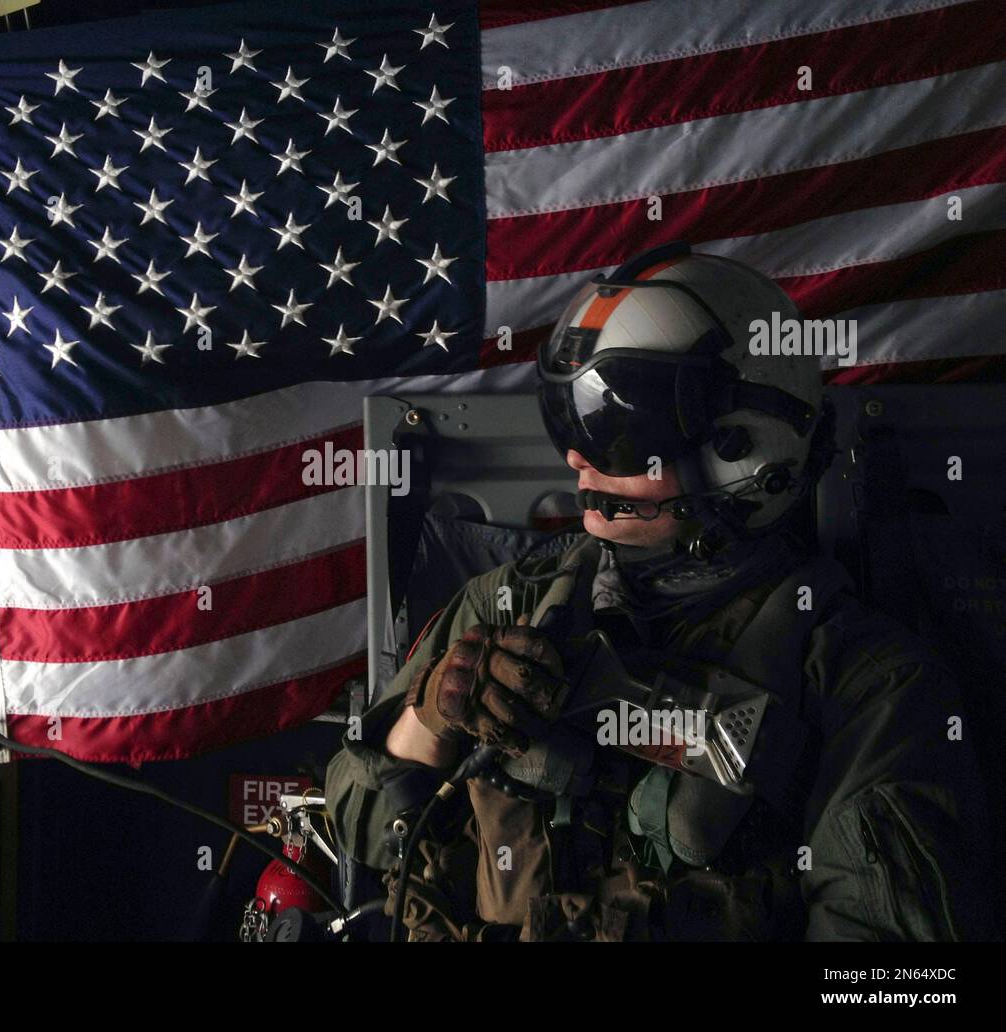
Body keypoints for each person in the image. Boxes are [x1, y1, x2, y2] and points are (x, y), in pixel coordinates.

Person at [325, 243, 995, 942]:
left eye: (615, 430)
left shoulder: (863, 682)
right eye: (570, 419)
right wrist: (428, 722)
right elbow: (366, 831)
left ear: (744, 450)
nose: (579, 457)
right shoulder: (508, 605)